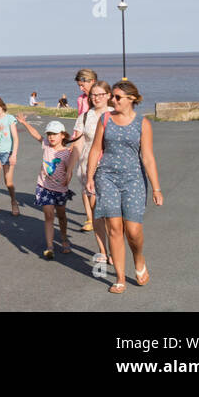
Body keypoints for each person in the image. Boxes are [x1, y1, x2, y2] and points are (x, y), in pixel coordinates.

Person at [86, 80, 163, 293]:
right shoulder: (105, 119)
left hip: (134, 179)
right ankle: (120, 278)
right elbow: (95, 150)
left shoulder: (143, 124)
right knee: (114, 228)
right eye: (113, 96)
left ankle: (138, 258)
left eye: (118, 97)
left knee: (133, 230)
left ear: (131, 99)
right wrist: (91, 176)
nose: (113, 100)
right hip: (107, 177)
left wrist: (156, 188)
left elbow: (147, 157)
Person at [16, 117, 77, 258]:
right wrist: (25, 123)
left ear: (62, 135)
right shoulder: (46, 145)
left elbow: (69, 170)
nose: (51, 137)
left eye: (55, 134)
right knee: (49, 215)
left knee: (61, 215)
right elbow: (36, 135)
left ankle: (64, 238)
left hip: (60, 190)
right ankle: (50, 246)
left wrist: (68, 177)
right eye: (49, 134)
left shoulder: (66, 153)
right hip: (44, 187)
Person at [72, 80, 112, 250]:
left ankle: (114, 247)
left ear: (108, 95)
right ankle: (104, 250)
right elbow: (77, 144)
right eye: (93, 95)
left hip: (111, 168)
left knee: (111, 214)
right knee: (97, 212)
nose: (96, 98)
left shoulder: (115, 113)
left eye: (100, 94)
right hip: (89, 168)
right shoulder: (85, 117)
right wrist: (68, 169)